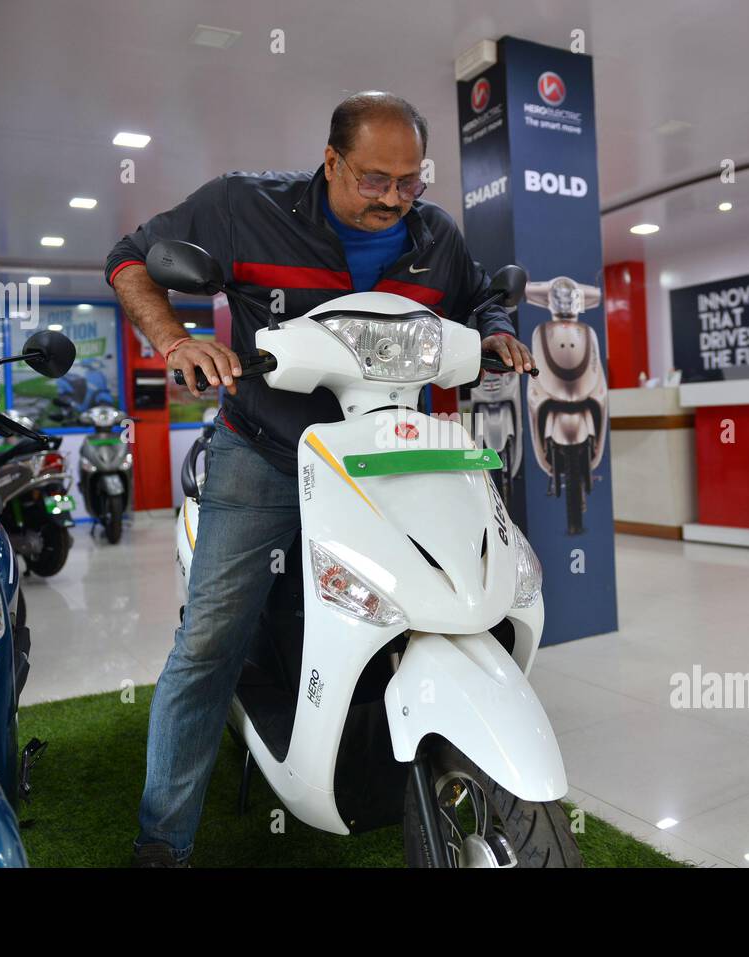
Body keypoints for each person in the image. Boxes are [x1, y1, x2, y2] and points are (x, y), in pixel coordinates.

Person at [105, 91, 533, 865]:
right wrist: (175, 340)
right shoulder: (244, 205)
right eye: (375, 180)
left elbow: (479, 299)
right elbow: (131, 259)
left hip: (393, 458)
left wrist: (498, 331)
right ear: (331, 160)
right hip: (265, 451)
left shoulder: (433, 235)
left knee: (454, 594)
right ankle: (161, 840)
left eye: (411, 183)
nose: (395, 201)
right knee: (209, 642)